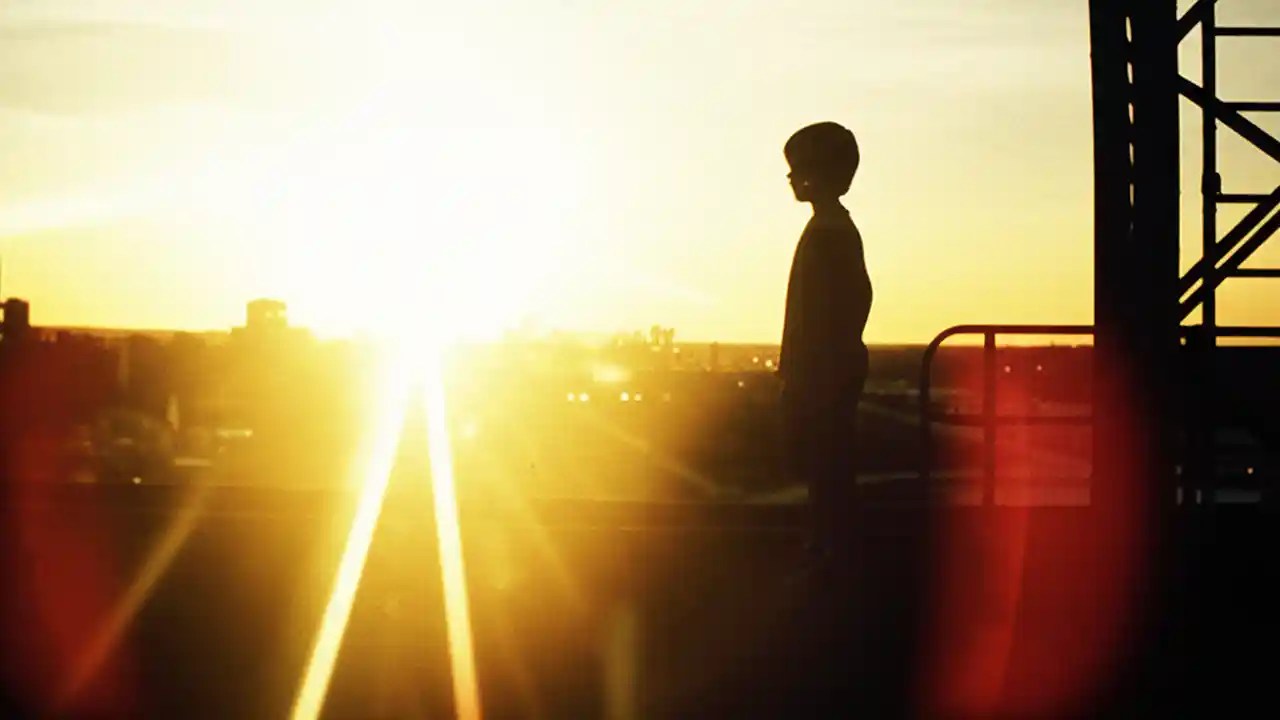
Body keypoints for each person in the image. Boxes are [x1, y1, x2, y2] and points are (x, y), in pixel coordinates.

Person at [778, 121, 872, 569]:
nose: (792, 178)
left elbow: (827, 310)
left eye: (798, 169)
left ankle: (832, 540)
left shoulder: (829, 233)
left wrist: (805, 369)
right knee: (827, 456)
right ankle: (829, 536)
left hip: (823, 371)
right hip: (827, 368)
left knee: (828, 457)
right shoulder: (830, 228)